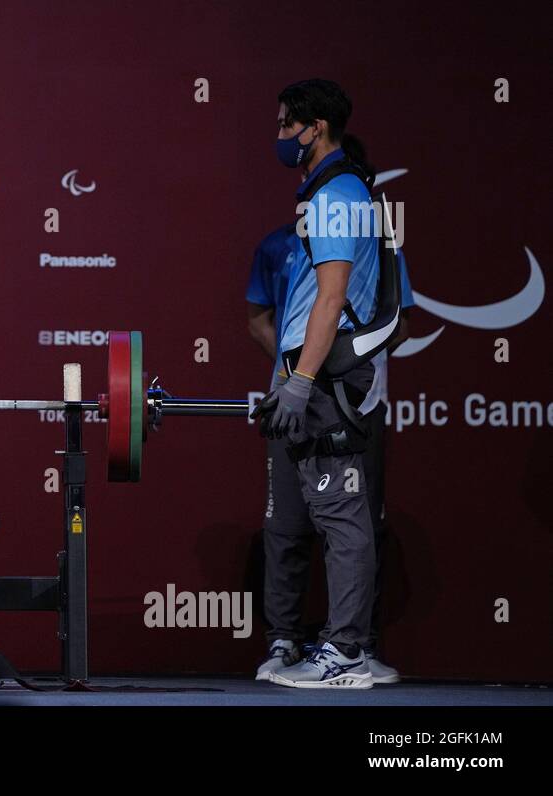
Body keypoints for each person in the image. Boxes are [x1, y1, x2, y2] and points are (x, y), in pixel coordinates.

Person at [252, 79, 384, 689]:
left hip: (325, 377)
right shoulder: (345, 188)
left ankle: (346, 654)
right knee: (336, 512)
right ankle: (344, 647)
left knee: (339, 512)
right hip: (322, 373)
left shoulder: (335, 195)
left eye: (287, 126)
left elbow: (330, 299)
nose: (280, 137)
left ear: (316, 128)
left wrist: (300, 380)